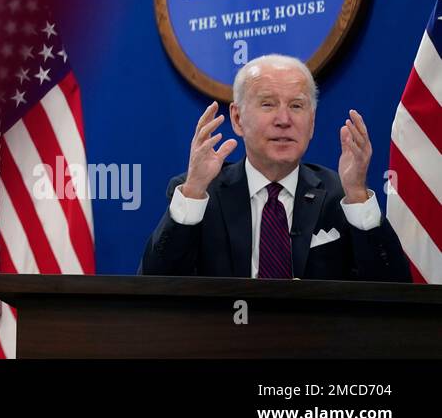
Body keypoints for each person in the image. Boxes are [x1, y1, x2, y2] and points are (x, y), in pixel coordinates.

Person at [139, 54, 412, 281]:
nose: (284, 119)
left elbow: (395, 292)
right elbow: (154, 285)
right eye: (268, 104)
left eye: (296, 106)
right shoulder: (200, 195)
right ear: (237, 118)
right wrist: (194, 191)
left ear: (312, 121)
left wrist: (356, 196)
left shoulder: (341, 196)